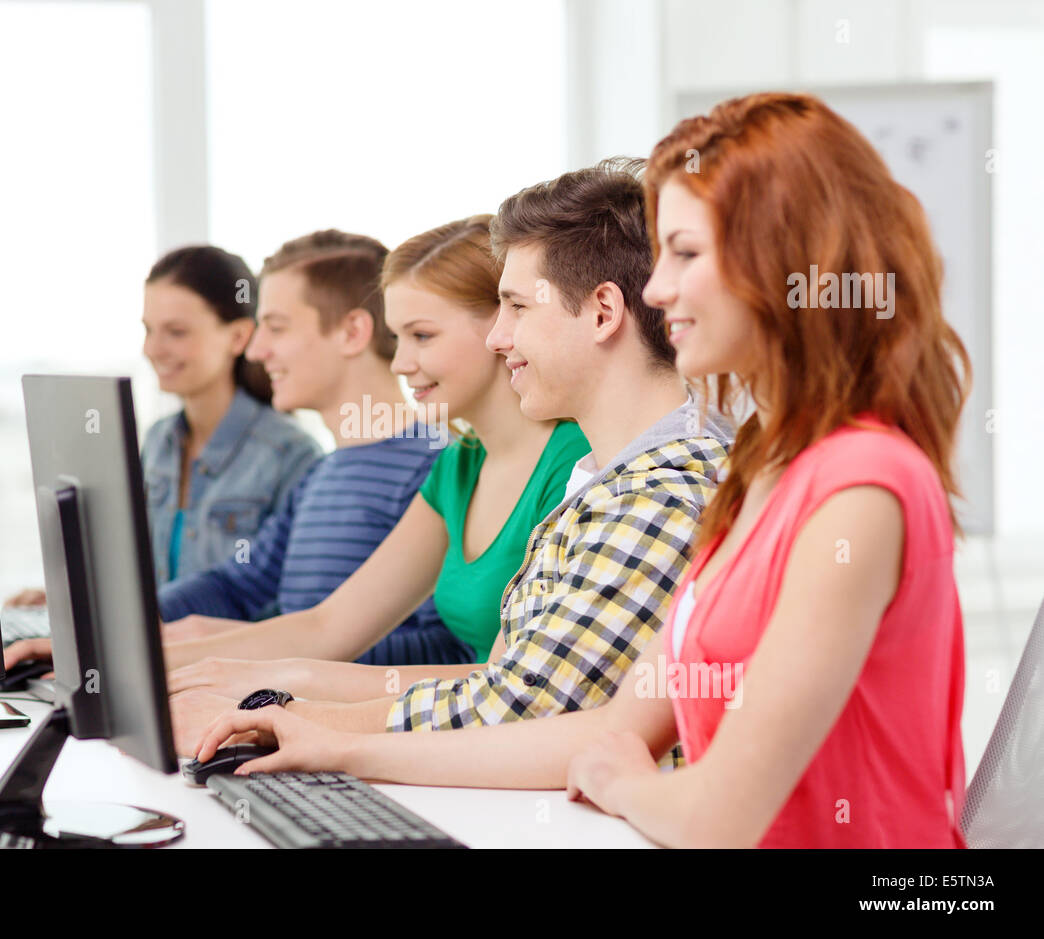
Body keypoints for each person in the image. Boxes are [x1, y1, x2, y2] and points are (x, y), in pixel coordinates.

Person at [197, 95, 970, 850]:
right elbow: (611, 728)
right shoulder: (762, 471)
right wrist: (333, 742)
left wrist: (623, 781)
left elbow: (713, 815)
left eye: (687, 255)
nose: (659, 290)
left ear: (777, 266)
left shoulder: (857, 487)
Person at [181, 158, 732, 747]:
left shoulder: (663, 491)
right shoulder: (592, 478)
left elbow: (520, 709)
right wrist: (270, 691)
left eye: (516, 308)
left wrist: (288, 715)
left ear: (603, 312)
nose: (500, 338)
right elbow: (503, 681)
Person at [161, 216, 590, 748]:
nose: (403, 363)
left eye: (422, 336)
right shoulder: (459, 466)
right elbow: (327, 627)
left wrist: (288, 690)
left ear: (501, 326)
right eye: (399, 337)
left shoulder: (576, 462)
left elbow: (512, 689)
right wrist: (137, 663)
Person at [6, 229, 471, 671]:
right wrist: (108, 629)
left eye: (276, 327)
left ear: (352, 332)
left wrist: (243, 652)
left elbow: (444, 653)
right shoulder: (323, 474)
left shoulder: (433, 468)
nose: (256, 350)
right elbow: (238, 584)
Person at [4, 245, 321, 611]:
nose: (152, 348)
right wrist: (68, 601)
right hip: (160, 658)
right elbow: (141, 582)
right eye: (149, 330)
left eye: (176, 332)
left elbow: (295, 613)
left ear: (238, 336)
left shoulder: (291, 455)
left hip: (227, 663)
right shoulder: (159, 441)